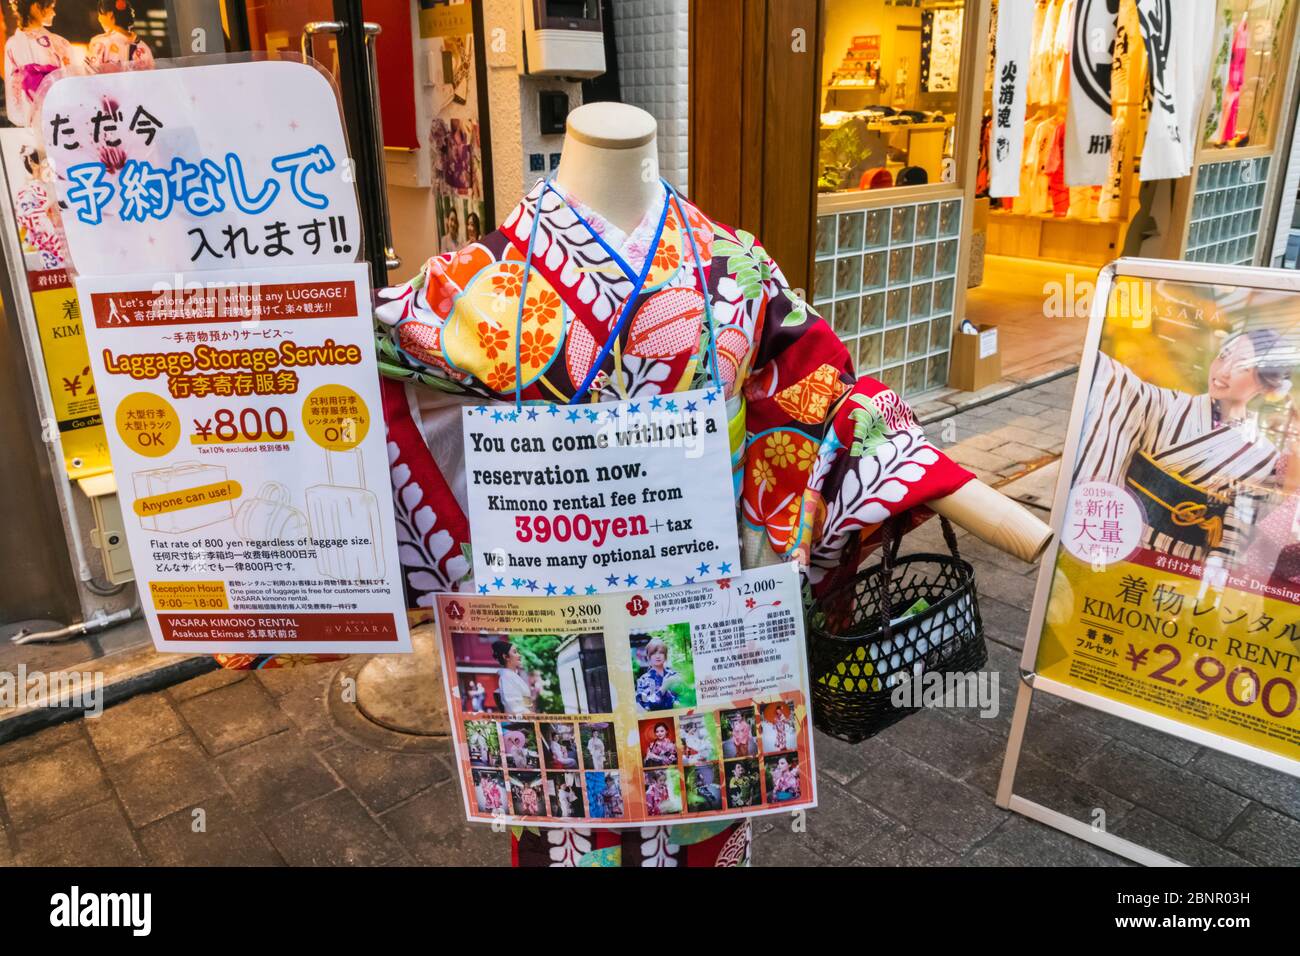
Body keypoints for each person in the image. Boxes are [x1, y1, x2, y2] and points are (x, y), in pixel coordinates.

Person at [1073, 330, 1292, 578]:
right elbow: (1115, 383)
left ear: (1264, 384)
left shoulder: (1265, 459)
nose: (1222, 371)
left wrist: (1216, 570)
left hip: (1182, 566)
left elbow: (1238, 531)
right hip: (1122, 540)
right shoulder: (1164, 404)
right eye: (1223, 356)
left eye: (1241, 367)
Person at [4, 0, 74, 127]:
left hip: (27, 119)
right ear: (35, 6)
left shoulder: (12, 44)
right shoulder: (58, 42)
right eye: (51, 7)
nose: (54, 13)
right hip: (56, 115)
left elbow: (12, 89)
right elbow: (70, 79)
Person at [13, 145, 65, 269]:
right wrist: (49, 203)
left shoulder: (53, 185)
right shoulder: (27, 191)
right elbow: (26, 218)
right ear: (32, 163)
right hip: (50, 247)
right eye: (45, 163)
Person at [86, 0, 154, 73]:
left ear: (110, 15)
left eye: (100, 14)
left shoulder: (100, 43)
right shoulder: (144, 48)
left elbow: (89, 75)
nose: (99, 19)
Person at [492, 640, 536, 713]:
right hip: (520, 721)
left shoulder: (512, 675)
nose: (519, 655)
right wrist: (530, 714)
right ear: (506, 657)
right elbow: (513, 706)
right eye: (515, 652)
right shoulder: (506, 677)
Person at [635, 638, 679, 711]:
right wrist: (664, 687)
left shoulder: (674, 675)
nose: (657, 656)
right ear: (649, 657)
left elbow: (684, 698)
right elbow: (647, 705)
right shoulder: (643, 680)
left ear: (665, 656)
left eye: (661, 653)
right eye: (654, 653)